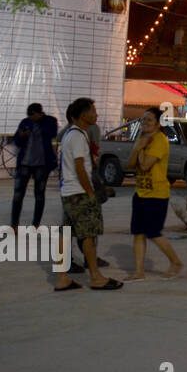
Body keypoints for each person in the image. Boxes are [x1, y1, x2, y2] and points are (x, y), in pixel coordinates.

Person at [54, 99, 121, 291]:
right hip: (79, 193)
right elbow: (80, 167)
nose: (96, 114)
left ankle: (62, 278)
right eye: (93, 111)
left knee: (65, 234)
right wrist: (90, 192)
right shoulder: (77, 136)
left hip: (68, 192)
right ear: (83, 115)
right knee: (88, 236)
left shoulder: (71, 134)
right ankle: (95, 277)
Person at [124, 107, 184, 280]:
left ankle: (175, 262)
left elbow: (144, 165)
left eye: (149, 120)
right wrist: (137, 148)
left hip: (157, 194)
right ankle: (139, 271)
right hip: (140, 192)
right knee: (138, 232)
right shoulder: (142, 139)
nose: (145, 123)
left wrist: (139, 149)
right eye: (143, 119)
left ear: (158, 124)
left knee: (153, 232)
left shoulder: (160, 140)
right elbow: (130, 165)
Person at [10, 102, 59, 235]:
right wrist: (21, 135)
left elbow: (53, 133)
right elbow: (16, 140)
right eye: (29, 116)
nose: (31, 118)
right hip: (24, 163)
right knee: (18, 195)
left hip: (42, 165)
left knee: (39, 195)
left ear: (40, 113)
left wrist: (39, 124)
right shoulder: (25, 122)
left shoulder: (50, 121)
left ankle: (35, 225)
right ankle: (14, 225)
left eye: (33, 115)